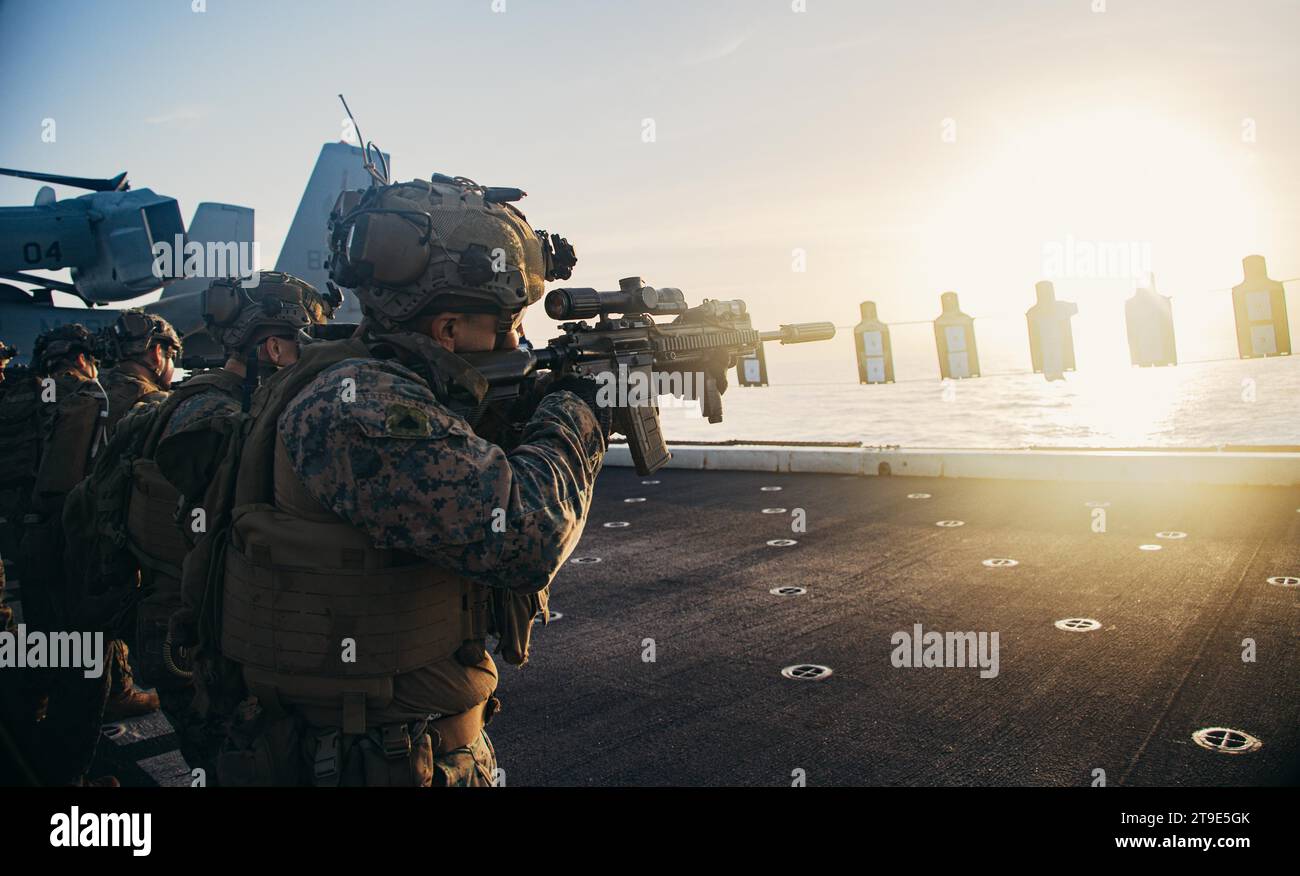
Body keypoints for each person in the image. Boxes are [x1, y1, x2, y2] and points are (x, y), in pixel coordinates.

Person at [197, 176, 610, 786]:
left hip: (384, 746)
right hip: (374, 760)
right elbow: (528, 534)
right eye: (505, 325)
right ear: (447, 330)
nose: (516, 342)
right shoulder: (358, 405)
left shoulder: (357, 381)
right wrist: (579, 409)